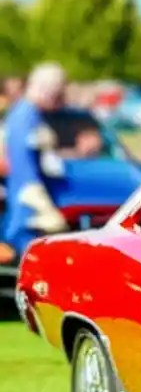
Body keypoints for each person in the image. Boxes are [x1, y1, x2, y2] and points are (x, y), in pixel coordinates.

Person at [2, 63, 71, 258]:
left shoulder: (26, 113)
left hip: (25, 193)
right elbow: (22, 160)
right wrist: (35, 194)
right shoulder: (25, 116)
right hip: (27, 197)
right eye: (58, 94)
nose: (60, 100)